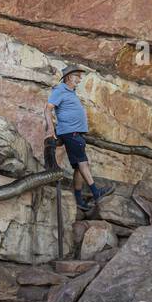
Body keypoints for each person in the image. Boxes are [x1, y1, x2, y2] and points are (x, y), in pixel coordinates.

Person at [45, 65, 115, 211]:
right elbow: (47, 109)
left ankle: (78, 200)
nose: (80, 79)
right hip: (71, 133)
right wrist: (51, 129)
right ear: (69, 77)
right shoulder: (60, 90)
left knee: (78, 167)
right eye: (77, 76)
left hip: (75, 133)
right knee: (83, 163)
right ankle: (96, 192)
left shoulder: (71, 92)